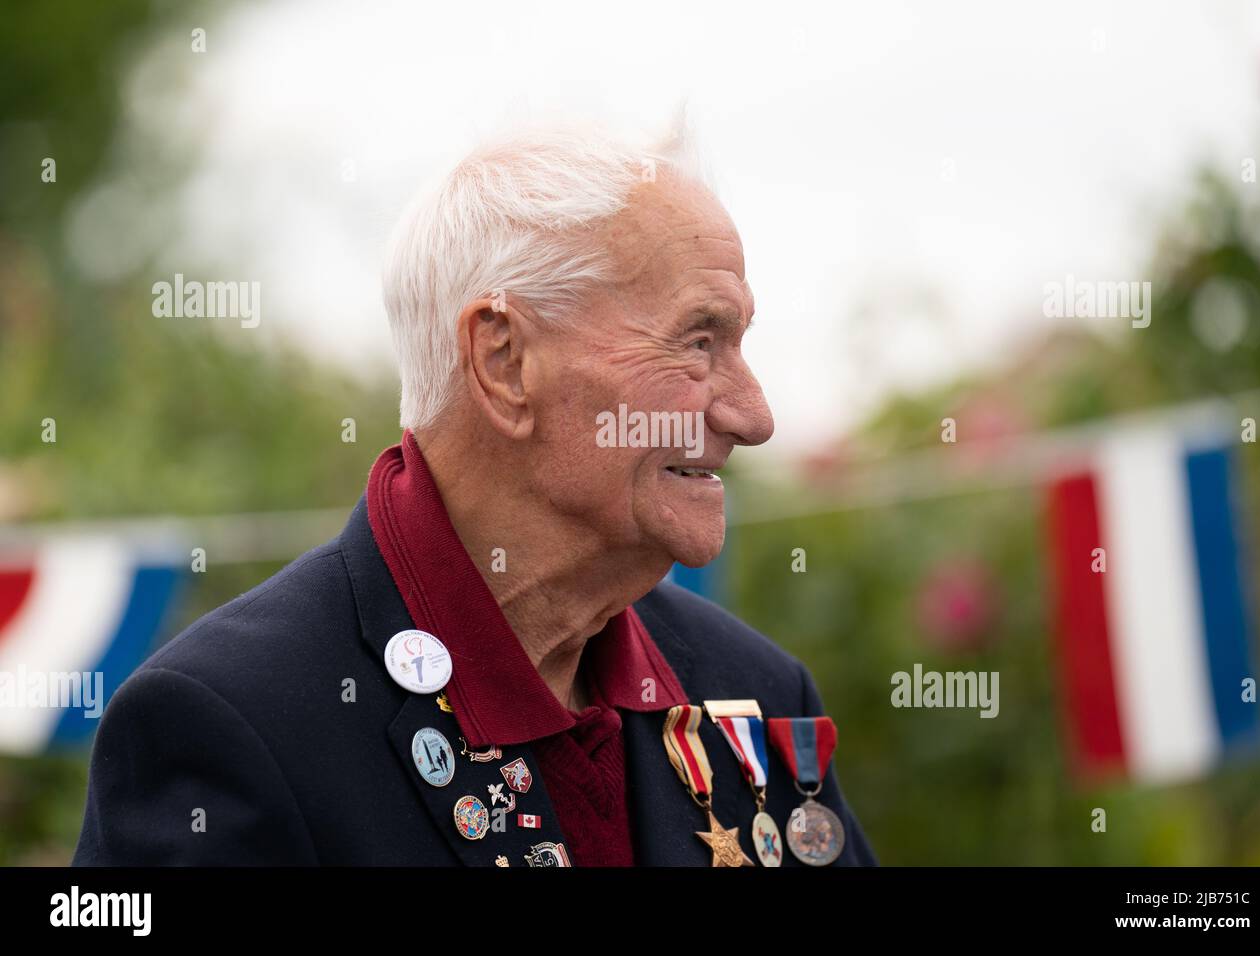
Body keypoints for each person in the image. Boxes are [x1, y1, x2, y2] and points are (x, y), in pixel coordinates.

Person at [72, 120, 878, 867]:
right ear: (503, 362)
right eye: (698, 343)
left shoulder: (755, 693)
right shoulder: (227, 725)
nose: (754, 415)